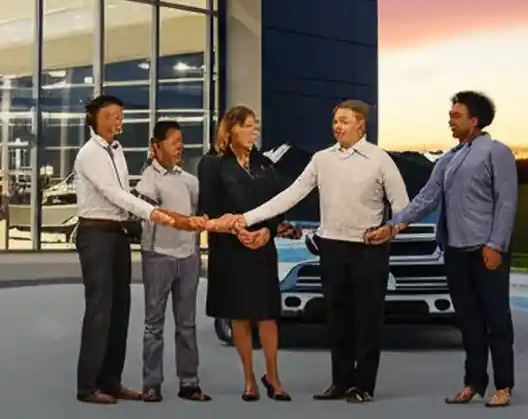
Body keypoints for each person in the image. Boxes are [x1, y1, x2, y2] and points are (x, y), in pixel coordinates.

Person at [220, 100, 410, 403]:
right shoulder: (322, 160)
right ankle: (340, 382)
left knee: (367, 319)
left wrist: (391, 229)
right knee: (338, 318)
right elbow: (290, 195)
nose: (337, 126)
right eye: (335, 121)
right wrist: (246, 218)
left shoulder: (379, 159)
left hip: (368, 249)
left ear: (360, 124)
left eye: (344, 121)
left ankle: (363, 385)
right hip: (331, 247)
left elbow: (403, 208)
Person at [366, 91, 517, 408]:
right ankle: (473, 382)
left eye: (456, 116)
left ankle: (504, 385)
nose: (450, 120)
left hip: (486, 250)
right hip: (455, 252)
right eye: (450, 115)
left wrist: (496, 245)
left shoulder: (497, 152)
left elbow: (506, 202)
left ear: (474, 121)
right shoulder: (448, 160)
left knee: (497, 320)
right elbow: (425, 198)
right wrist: (393, 226)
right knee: (469, 321)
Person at [73, 94, 209, 405]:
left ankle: (111, 381)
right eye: (110, 116)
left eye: (119, 116)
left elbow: (123, 193)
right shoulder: (90, 153)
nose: (117, 121)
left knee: (120, 310)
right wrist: (154, 213)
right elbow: (114, 194)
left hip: (117, 234)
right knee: (99, 310)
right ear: (94, 120)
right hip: (96, 234)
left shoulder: (117, 150)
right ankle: (88, 386)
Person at [199, 105, 299, 402]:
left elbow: (278, 204)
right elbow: (209, 208)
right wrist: (237, 230)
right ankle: (249, 380)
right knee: (240, 315)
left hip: (262, 246)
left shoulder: (264, 163)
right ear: (231, 129)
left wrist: (268, 230)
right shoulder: (212, 164)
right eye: (248, 125)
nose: (254, 131)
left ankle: (274, 377)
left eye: (256, 125)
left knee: (267, 315)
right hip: (229, 249)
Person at [133, 120, 211, 403]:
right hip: (158, 256)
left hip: (188, 256)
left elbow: (199, 212)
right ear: (156, 146)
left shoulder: (189, 180)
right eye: (174, 141)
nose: (180, 146)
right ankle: (151, 384)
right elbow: (153, 211)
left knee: (187, 324)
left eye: (181, 141)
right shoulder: (148, 179)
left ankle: (189, 383)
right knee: (153, 324)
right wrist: (187, 222)